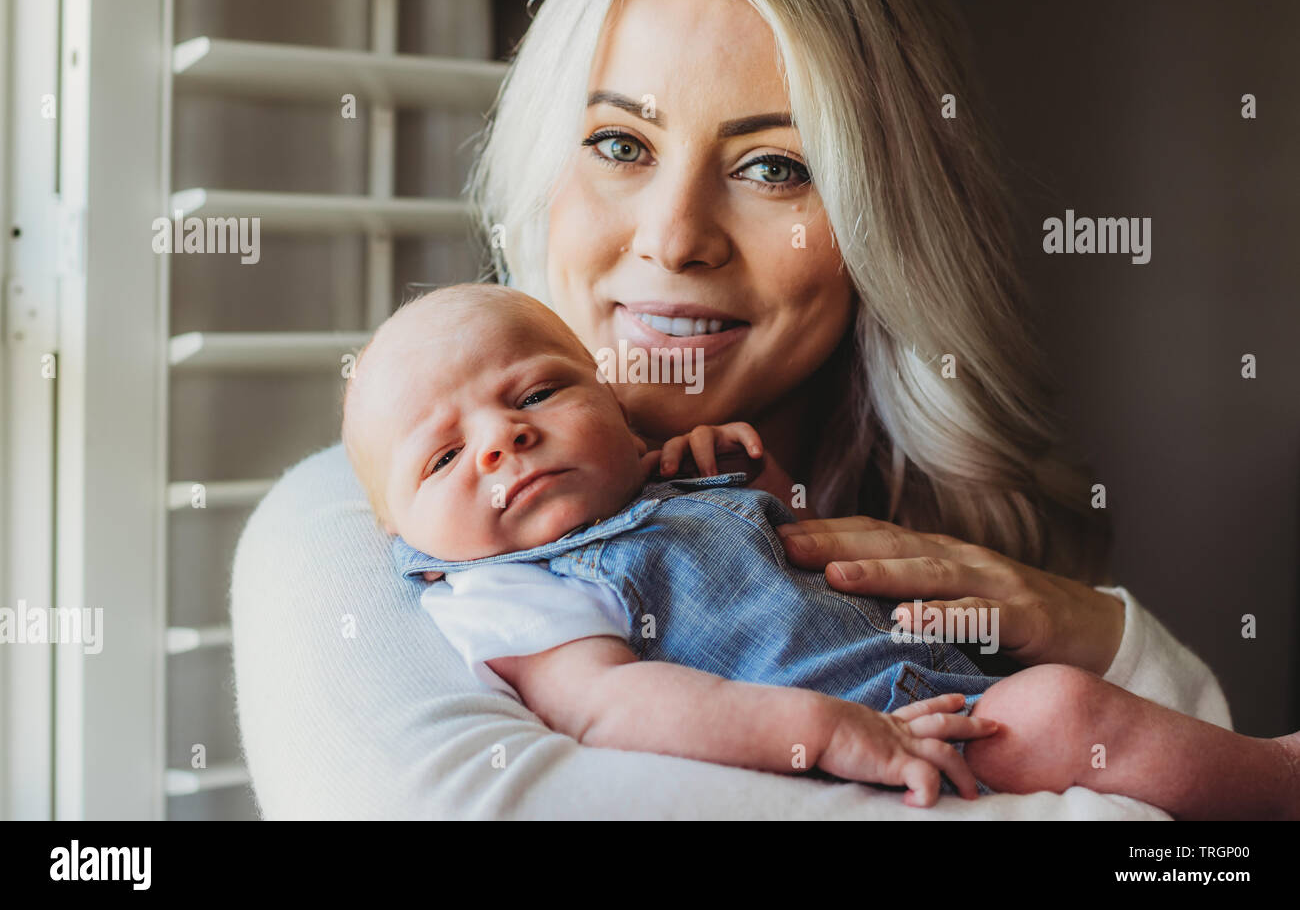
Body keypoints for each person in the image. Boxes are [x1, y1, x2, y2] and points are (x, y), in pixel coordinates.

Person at [232, 0, 1237, 819]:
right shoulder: (354, 532)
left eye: (773, 167)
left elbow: (1209, 777)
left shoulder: (945, 531)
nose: (674, 239)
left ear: (880, 224)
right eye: (619, 143)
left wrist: (1111, 640)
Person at [338, 283, 1300, 817]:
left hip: (933, 694)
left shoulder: (665, 479)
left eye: (538, 394)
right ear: (399, 536)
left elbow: (783, 564)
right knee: (1059, 709)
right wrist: (834, 734)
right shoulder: (513, 592)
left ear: (612, 402)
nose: (503, 441)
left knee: (1075, 710)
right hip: (870, 740)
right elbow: (617, 704)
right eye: (446, 454)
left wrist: (701, 478)